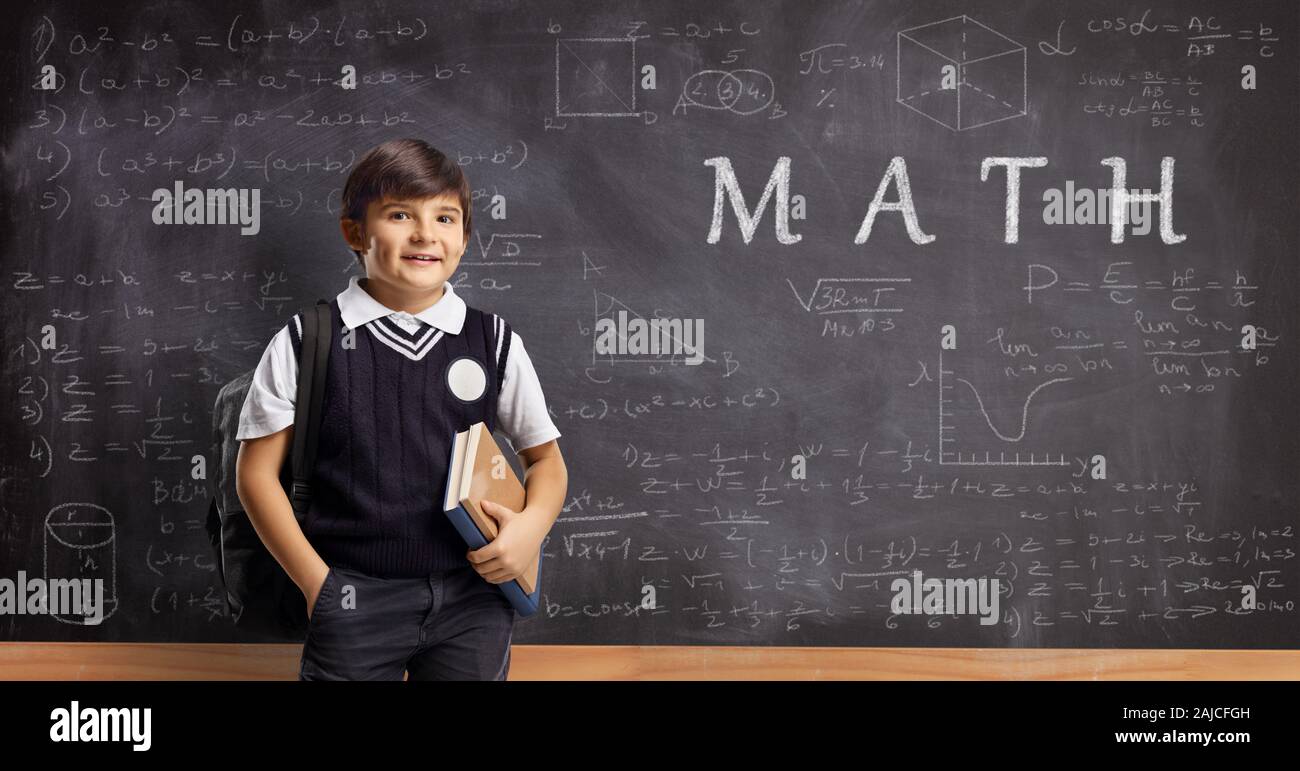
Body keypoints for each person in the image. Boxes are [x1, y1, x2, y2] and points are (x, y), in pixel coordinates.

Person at [234, 138, 567, 680]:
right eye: (398, 215)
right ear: (354, 232)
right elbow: (255, 475)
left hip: (474, 601)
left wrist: (530, 527)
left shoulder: (493, 340)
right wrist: (319, 586)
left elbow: (546, 462)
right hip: (351, 597)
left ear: (463, 239)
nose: (424, 234)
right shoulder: (307, 338)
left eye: (445, 217)